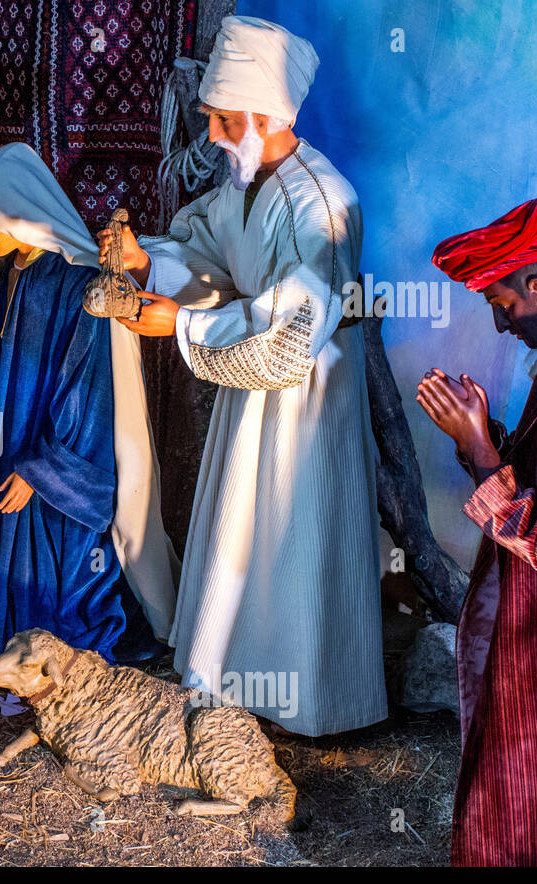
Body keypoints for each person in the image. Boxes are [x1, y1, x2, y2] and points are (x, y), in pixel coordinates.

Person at [97, 15, 386, 736]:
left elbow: (292, 340)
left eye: (224, 121)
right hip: (249, 395)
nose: (216, 135)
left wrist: (184, 326)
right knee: (241, 535)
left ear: (264, 115)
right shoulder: (247, 181)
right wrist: (144, 261)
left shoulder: (323, 205)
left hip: (305, 403)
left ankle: (308, 706)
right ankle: (231, 684)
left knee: (292, 539)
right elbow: (205, 246)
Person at [0, 142, 180, 670]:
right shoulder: (15, 272)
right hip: (4, 448)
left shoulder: (79, 283)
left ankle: (45, 658)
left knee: (51, 583)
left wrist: (41, 470)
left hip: (48, 465)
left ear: (17, 213)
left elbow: (90, 391)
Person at [421, 184, 537, 867]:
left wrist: (479, 449)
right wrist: (485, 435)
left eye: (502, 306)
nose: (499, 325)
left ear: (536, 285)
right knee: (525, 786)